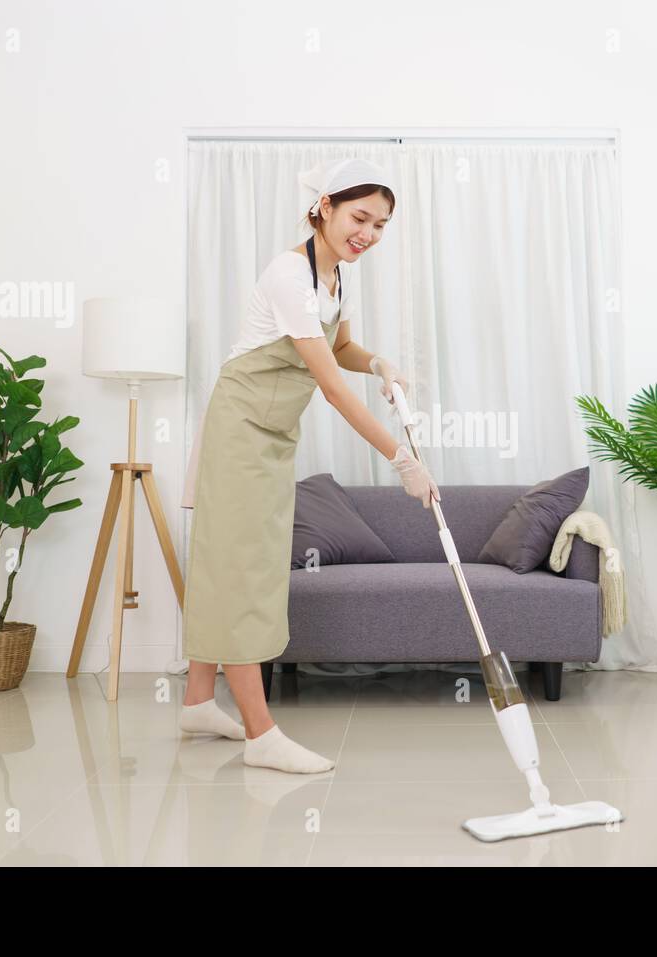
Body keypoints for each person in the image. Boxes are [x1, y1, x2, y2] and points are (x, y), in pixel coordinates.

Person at [177, 157, 439, 773]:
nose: (369, 234)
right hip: (241, 428)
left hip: (271, 433)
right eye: (360, 217)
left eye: (380, 224)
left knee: (235, 561)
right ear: (324, 208)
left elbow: (341, 348)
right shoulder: (289, 275)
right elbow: (329, 384)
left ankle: (195, 702)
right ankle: (259, 732)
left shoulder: (339, 274)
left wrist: (380, 364)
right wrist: (401, 457)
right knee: (242, 570)